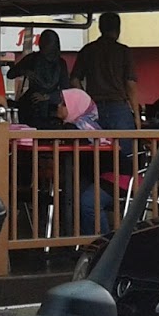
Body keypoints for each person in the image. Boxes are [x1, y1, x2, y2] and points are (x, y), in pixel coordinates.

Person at [72, 12, 140, 157]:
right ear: (118, 29)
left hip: (94, 108)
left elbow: (74, 79)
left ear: (100, 28)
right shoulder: (123, 51)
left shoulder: (88, 50)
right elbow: (130, 84)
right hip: (119, 108)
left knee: (96, 154)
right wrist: (136, 115)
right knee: (124, 155)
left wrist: (86, 101)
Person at [55, 88, 112, 234]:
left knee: (88, 203)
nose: (58, 106)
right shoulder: (86, 126)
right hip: (94, 176)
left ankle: (105, 242)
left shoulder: (78, 129)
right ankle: (85, 240)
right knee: (73, 195)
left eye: (64, 104)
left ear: (75, 107)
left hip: (116, 176)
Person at [7, 30, 71, 129]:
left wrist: (47, 97)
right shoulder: (32, 58)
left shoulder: (60, 63)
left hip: (52, 109)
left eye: (49, 44)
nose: (46, 48)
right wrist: (25, 71)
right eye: (44, 43)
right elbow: (10, 74)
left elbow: (65, 89)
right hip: (32, 105)